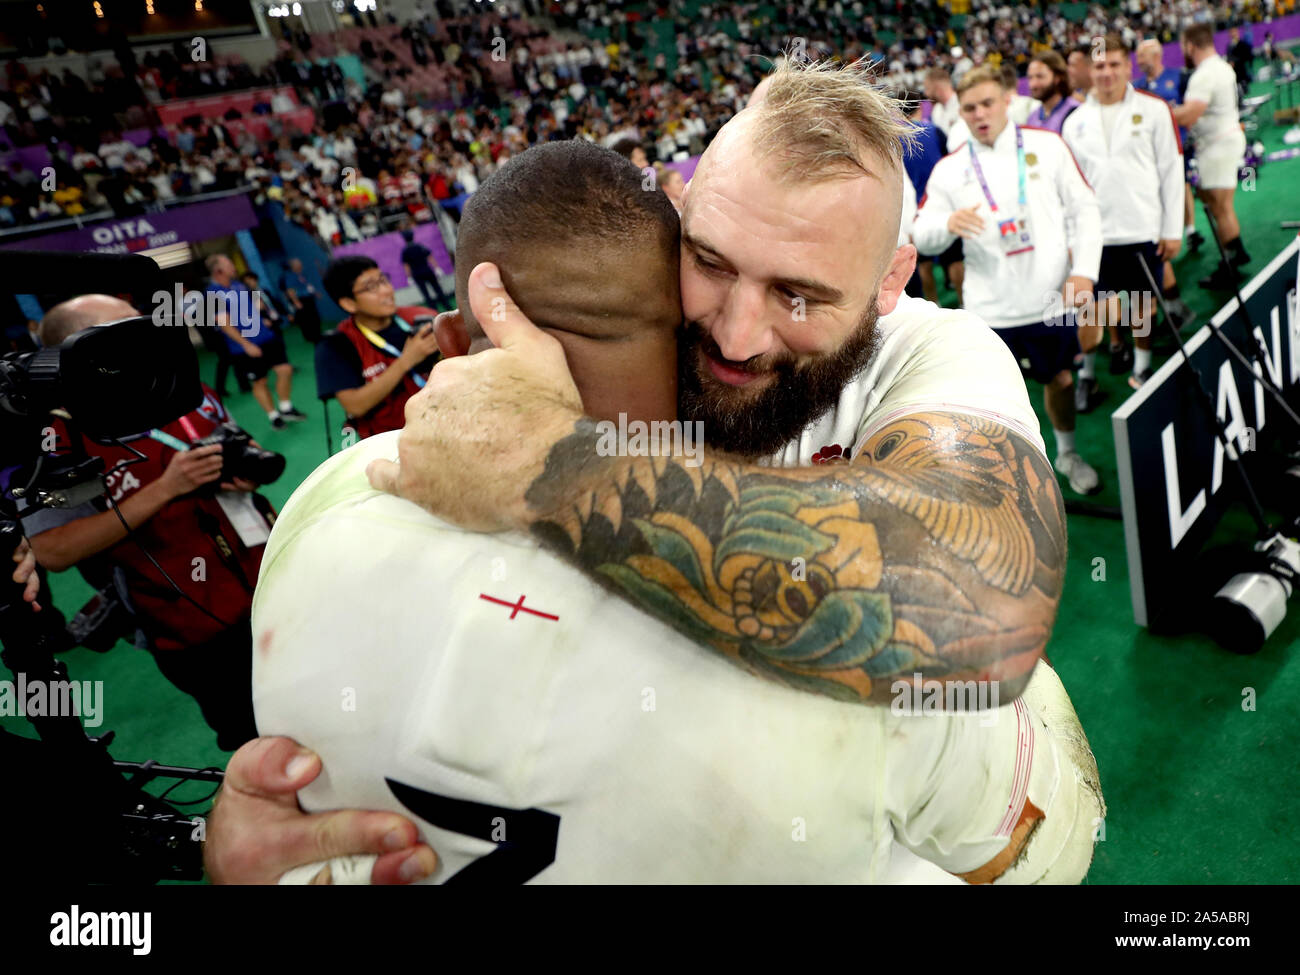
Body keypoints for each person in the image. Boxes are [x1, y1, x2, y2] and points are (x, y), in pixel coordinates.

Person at [254, 137, 1101, 884]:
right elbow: (1040, 839)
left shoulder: (316, 515)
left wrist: (549, 457)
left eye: (798, 292)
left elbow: (299, 811)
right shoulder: (833, 642)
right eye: (715, 270)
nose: (735, 338)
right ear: (675, 268)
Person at [24, 295, 272, 752]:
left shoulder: (180, 387)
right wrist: (165, 488)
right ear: (76, 354)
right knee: (257, 737)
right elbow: (53, 549)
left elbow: (243, 439)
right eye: (122, 330)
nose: (146, 336)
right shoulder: (59, 443)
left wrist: (239, 470)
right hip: (194, 627)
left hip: (273, 582)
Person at [913, 66, 1103, 496]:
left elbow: (1085, 210)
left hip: (1049, 299)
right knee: (994, 399)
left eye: (987, 103)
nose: (980, 114)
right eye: (969, 108)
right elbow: (921, 233)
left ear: (1007, 101)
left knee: (1060, 381)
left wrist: (1084, 272)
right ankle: (1005, 475)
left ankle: (1068, 453)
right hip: (989, 309)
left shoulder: (1048, 147)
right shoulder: (950, 168)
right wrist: (947, 223)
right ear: (959, 112)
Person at [1063, 33, 1184, 390]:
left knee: (1143, 306)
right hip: (1094, 236)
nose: (1107, 73)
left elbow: (1171, 170)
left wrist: (1172, 228)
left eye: (1114, 64)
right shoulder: (1075, 122)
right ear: (1090, 70)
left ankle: (1143, 364)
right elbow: (1070, 190)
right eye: (1099, 66)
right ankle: (1093, 370)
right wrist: (1073, 238)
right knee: (1095, 307)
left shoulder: (1154, 109)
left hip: (1142, 229)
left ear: (1128, 66)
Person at [316, 255, 441, 440]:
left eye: (383, 280)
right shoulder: (337, 345)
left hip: (444, 424)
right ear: (348, 303)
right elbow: (355, 405)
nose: (386, 291)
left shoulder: (425, 318)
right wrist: (407, 360)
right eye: (371, 287)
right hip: (392, 443)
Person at [1176, 23, 1251, 290]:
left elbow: (1189, 115)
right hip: (1224, 140)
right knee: (1219, 204)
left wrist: (1161, 112)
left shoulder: (1204, 75)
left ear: (1190, 45)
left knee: (1221, 208)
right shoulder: (1220, 66)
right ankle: (1236, 252)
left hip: (1217, 145)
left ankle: (1230, 263)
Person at [1134, 38, 1200, 329]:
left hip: (1176, 150)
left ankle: (1189, 229)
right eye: (1136, 56)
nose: (1139, 61)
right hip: (1147, 167)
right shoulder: (1137, 88)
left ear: (1157, 55)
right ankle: (1170, 309)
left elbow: (1192, 111)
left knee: (1180, 190)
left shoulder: (1179, 77)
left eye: (1143, 55)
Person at [205, 254, 306, 429]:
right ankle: (274, 416)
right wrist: (246, 344)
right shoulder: (212, 294)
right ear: (219, 270)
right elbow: (225, 325)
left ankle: (285, 408)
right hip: (244, 347)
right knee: (260, 381)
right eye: (229, 264)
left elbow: (252, 308)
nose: (234, 268)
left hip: (267, 338)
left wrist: (263, 318)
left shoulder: (238, 286)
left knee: (285, 369)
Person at [1025, 51, 1080, 133]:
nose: (1033, 84)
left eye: (1040, 77)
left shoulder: (1075, 113)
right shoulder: (1032, 118)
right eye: (1030, 78)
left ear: (1057, 77)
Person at [399, 227, 453, 311]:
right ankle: (448, 307)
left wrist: (409, 277)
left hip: (417, 274)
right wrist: (437, 268)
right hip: (427, 271)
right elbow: (430, 257)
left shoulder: (405, 251)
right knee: (438, 289)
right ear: (412, 237)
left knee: (426, 294)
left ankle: (433, 311)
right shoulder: (420, 246)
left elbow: (406, 266)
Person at [279, 256, 323, 344]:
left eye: (300, 263)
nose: (300, 264)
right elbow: (290, 290)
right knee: (306, 319)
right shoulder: (290, 276)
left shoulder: (302, 274)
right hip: (301, 300)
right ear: (293, 266)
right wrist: (296, 302)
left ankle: (318, 334)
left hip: (309, 298)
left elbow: (308, 286)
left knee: (315, 317)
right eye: (298, 263)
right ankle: (310, 337)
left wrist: (315, 293)